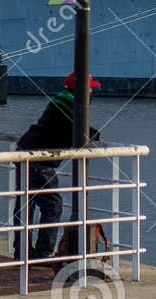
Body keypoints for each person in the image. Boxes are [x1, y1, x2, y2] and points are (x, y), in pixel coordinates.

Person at [12, 73, 102, 260]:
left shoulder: (61, 102)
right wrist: (96, 134)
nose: (92, 91)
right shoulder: (69, 106)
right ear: (81, 90)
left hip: (27, 152)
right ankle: (43, 253)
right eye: (90, 88)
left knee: (26, 204)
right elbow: (80, 130)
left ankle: (22, 251)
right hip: (39, 160)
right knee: (52, 205)